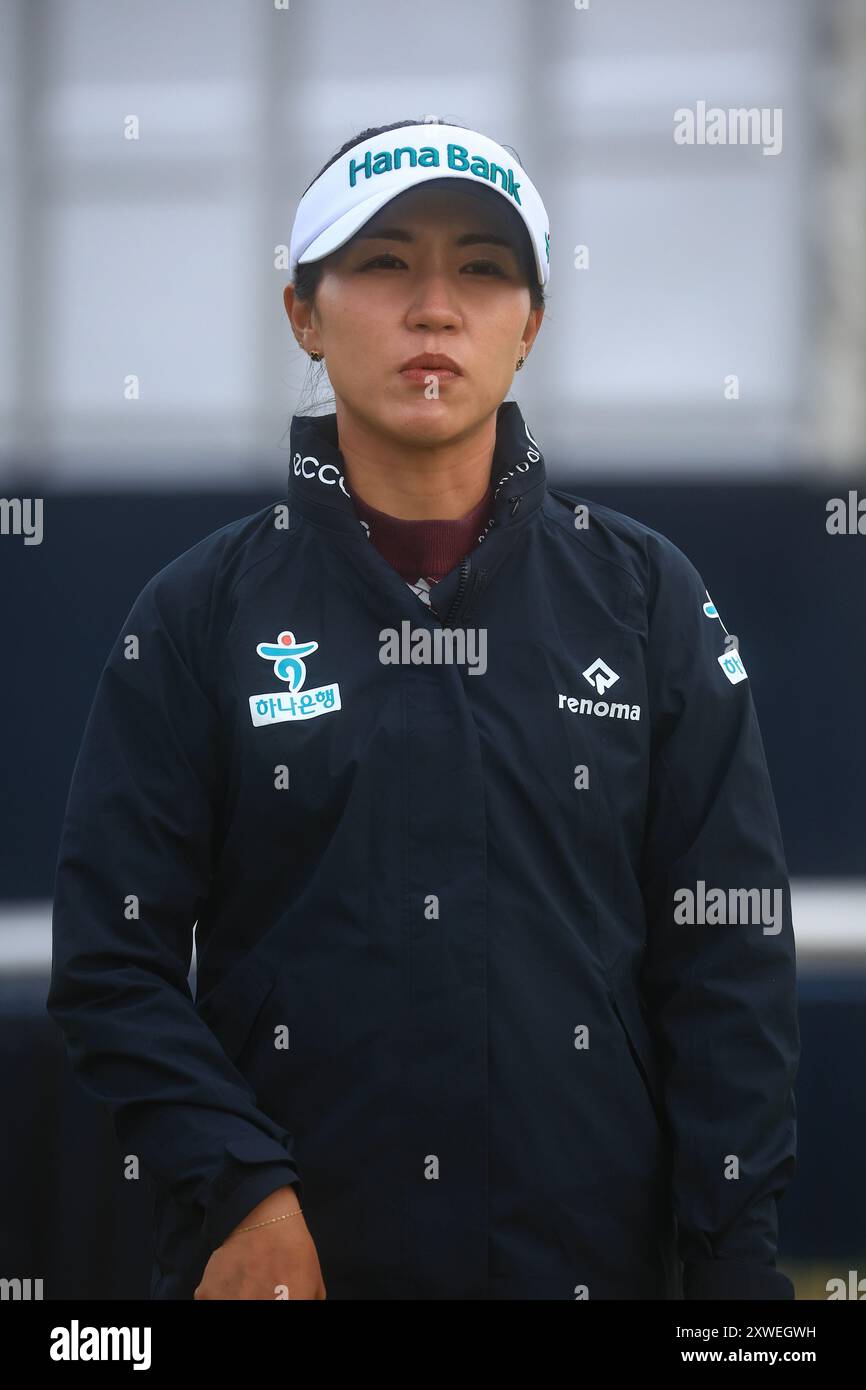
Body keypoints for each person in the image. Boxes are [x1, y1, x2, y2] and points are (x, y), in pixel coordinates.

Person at [47, 116, 799, 1302]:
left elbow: (726, 958)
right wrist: (239, 1185)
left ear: (530, 326)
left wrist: (733, 1263)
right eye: (384, 261)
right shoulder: (198, 612)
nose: (434, 307)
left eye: (483, 270)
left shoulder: (644, 597)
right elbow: (109, 963)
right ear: (302, 310)